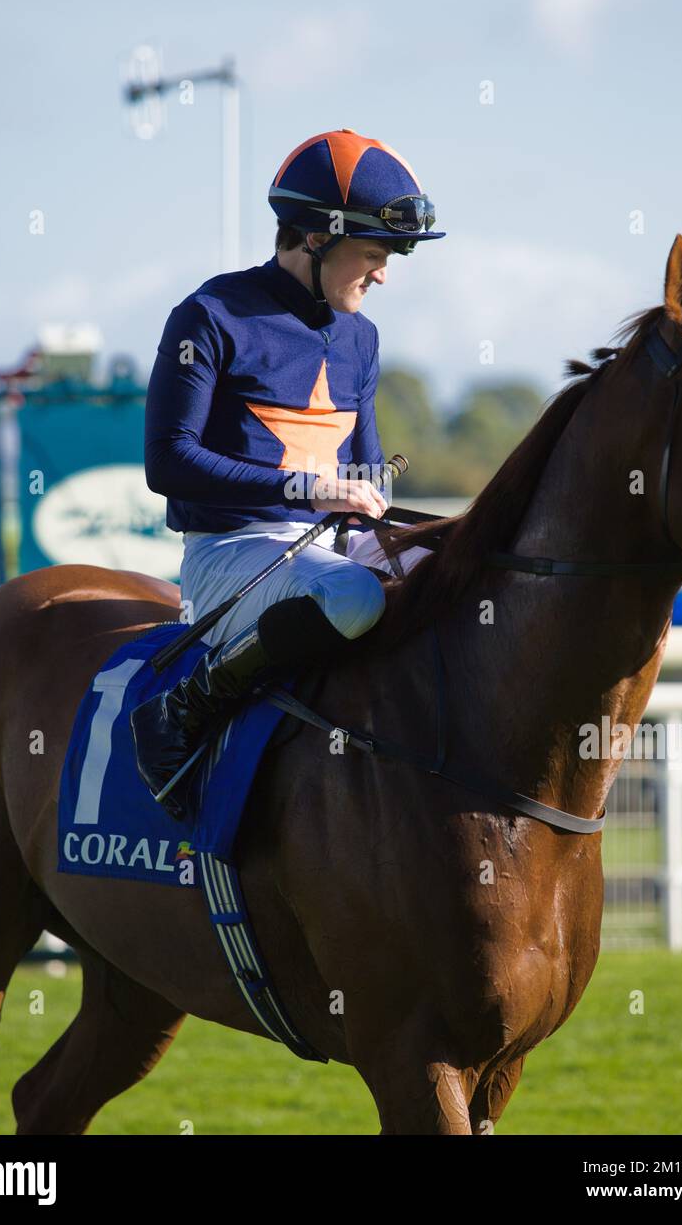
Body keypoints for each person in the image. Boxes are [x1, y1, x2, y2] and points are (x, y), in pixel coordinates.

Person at [130, 127, 445, 816]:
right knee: (356, 600)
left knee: (451, 564)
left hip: (328, 551)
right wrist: (308, 487)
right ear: (313, 238)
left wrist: (378, 505)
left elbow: (364, 471)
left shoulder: (361, 336)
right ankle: (185, 707)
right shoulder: (209, 316)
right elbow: (167, 463)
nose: (384, 271)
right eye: (373, 252)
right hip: (230, 557)